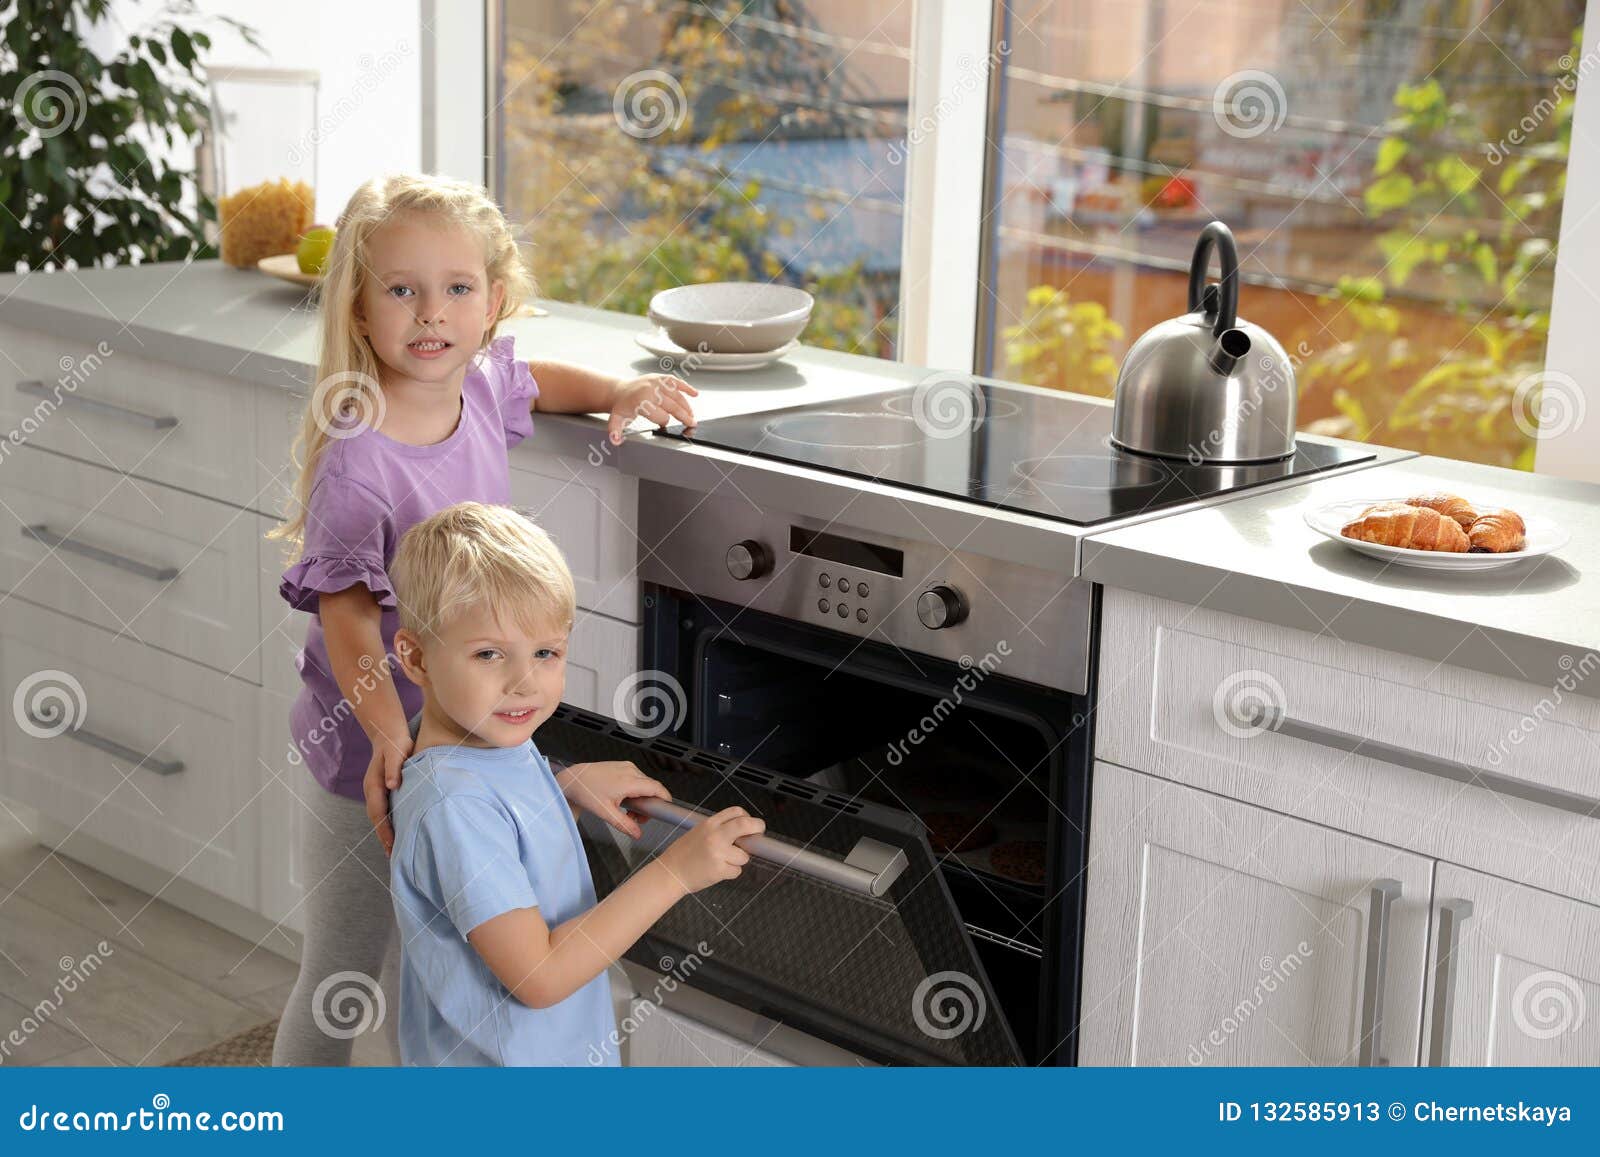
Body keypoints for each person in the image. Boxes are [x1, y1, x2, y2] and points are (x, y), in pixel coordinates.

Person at [267, 172, 698, 1065]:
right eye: (402, 290)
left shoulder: (481, 381)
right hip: (371, 753)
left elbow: (534, 378)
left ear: (493, 301)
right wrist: (389, 734)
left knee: (438, 965)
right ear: (358, 304)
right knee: (347, 970)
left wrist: (619, 388)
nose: (432, 314)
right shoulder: (359, 461)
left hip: (468, 722)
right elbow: (349, 622)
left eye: (457, 289)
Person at [384, 502, 761, 1065]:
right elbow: (537, 976)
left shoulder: (483, 745)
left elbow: (495, 841)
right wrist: (676, 871)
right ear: (415, 659)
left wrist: (559, 789)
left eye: (546, 653)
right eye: (489, 654)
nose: (524, 682)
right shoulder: (455, 804)